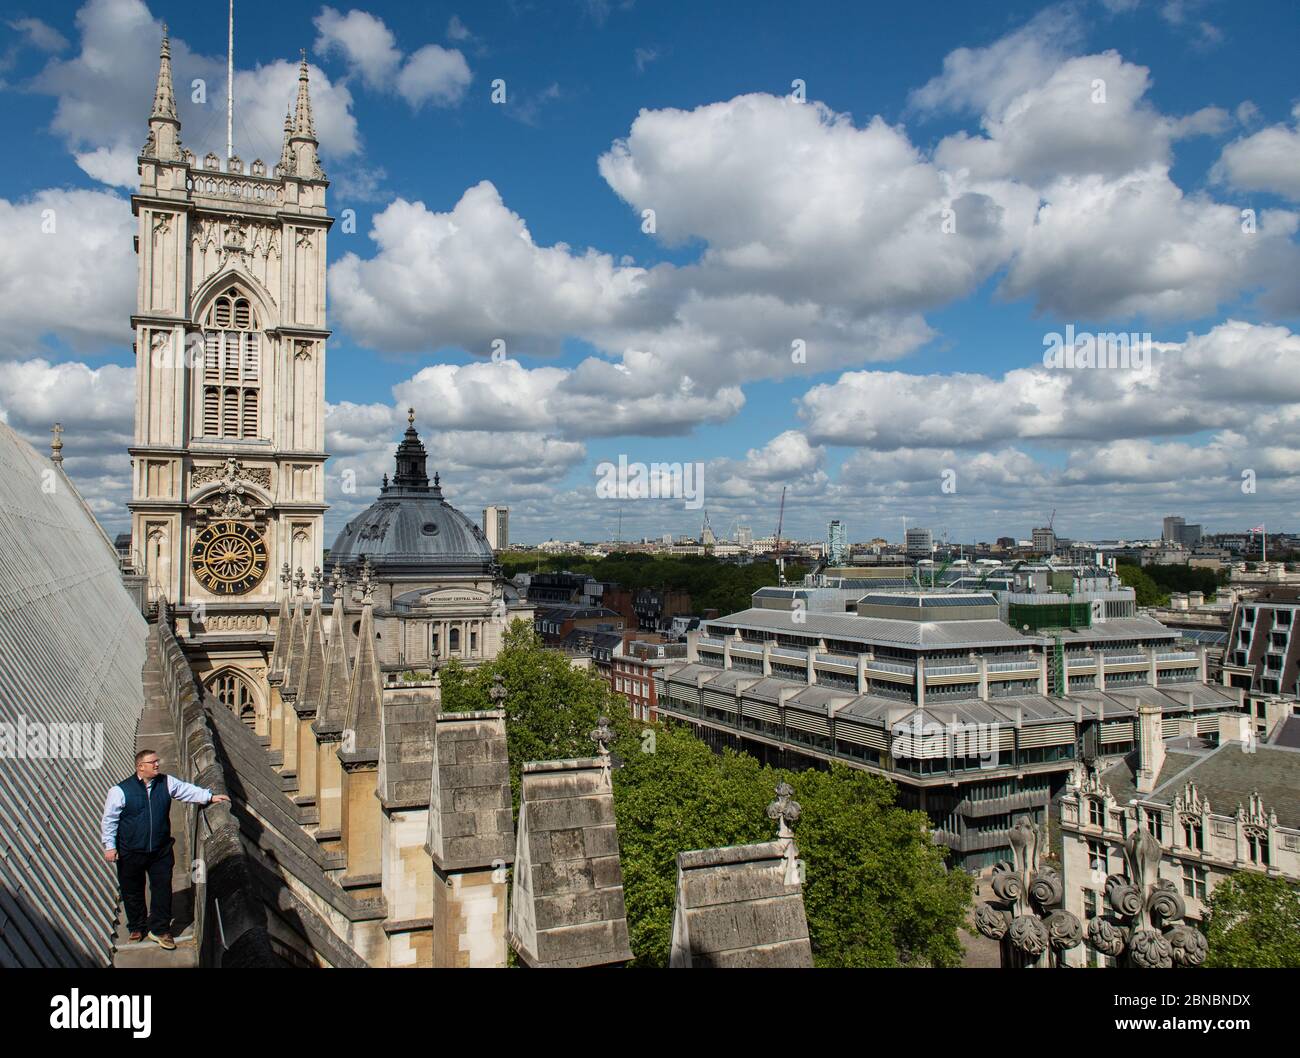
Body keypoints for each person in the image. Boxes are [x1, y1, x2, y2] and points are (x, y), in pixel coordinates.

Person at [101, 748, 230, 950]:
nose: (157, 765)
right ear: (140, 767)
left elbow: (186, 790)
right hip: (131, 851)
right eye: (152, 762)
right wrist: (110, 846)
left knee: (162, 889)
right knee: (132, 891)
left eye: (157, 761)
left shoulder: (165, 782)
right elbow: (110, 820)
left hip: (160, 850)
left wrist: (209, 797)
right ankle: (137, 927)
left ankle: (160, 929)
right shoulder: (119, 791)